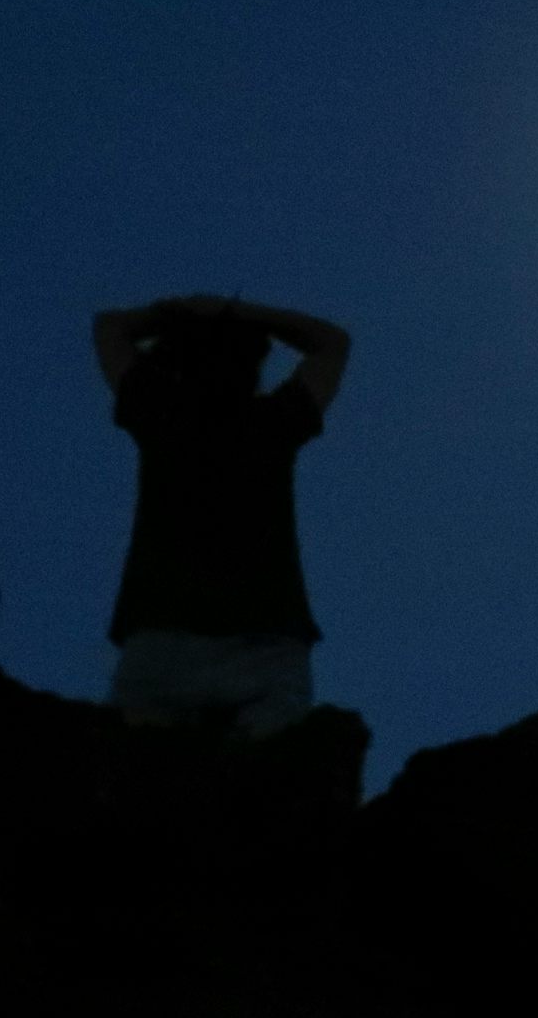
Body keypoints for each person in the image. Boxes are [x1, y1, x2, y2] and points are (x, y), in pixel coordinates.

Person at [93, 294, 350, 739]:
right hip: (266, 643)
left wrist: (184, 309)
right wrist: (251, 313)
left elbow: (110, 327)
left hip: (162, 640)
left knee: (137, 799)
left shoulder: (161, 414)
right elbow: (331, 342)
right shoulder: (273, 424)